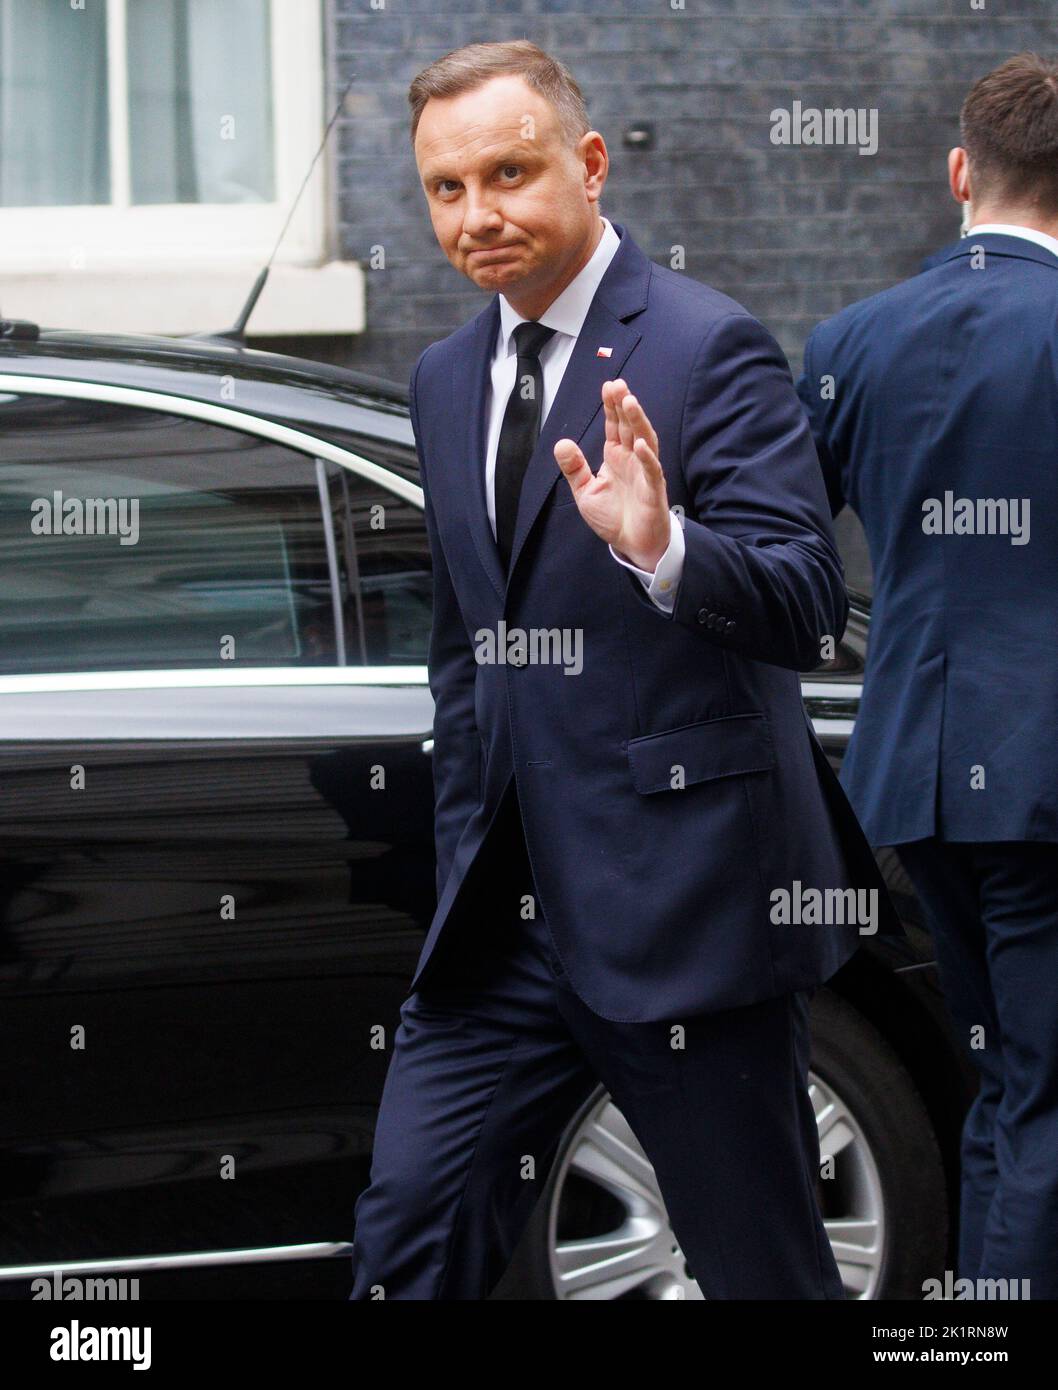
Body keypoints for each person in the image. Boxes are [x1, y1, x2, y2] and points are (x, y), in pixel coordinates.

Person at [349, 39, 899, 1301]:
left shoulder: (709, 347)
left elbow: (806, 602)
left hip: (686, 908)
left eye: (508, 172)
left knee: (758, 1268)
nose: (476, 215)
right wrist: (457, 868)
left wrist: (664, 548)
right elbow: (466, 657)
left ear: (589, 165)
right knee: (410, 1236)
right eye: (445, 189)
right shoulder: (442, 379)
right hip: (501, 927)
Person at [796, 52, 1058, 1297]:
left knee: (1003, 1078)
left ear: (959, 173)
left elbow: (780, 560)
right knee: (1044, 1091)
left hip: (910, 777)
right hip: (1048, 781)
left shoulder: (853, 339)